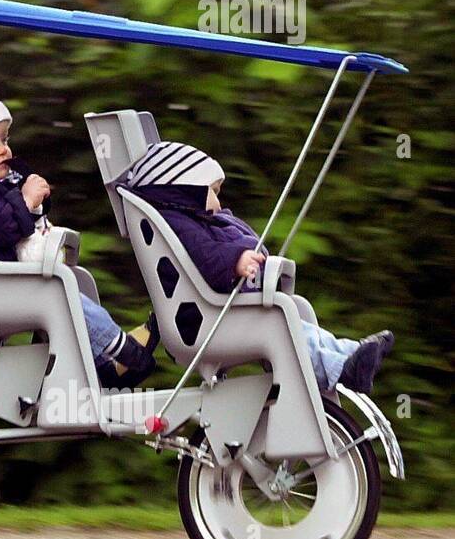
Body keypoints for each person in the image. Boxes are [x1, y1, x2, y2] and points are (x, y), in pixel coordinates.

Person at [0, 84, 159, 386]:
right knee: (58, 290)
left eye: (4, 139)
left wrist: (33, 195)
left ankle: (90, 364)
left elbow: (11, 220)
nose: (3, 149)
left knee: (70, 280)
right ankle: (120, 352)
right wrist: (27, 200)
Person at [123, 140, 393, 394]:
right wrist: (235, 260)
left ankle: (347, 354)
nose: (218, 203)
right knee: (279, 320)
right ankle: (340, 368)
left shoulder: (193, 221)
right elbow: (205, 257)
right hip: (202, 320)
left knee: (293, 310)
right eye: (213, 193)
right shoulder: (181, 227)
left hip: (217, 314)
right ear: (185, 190)